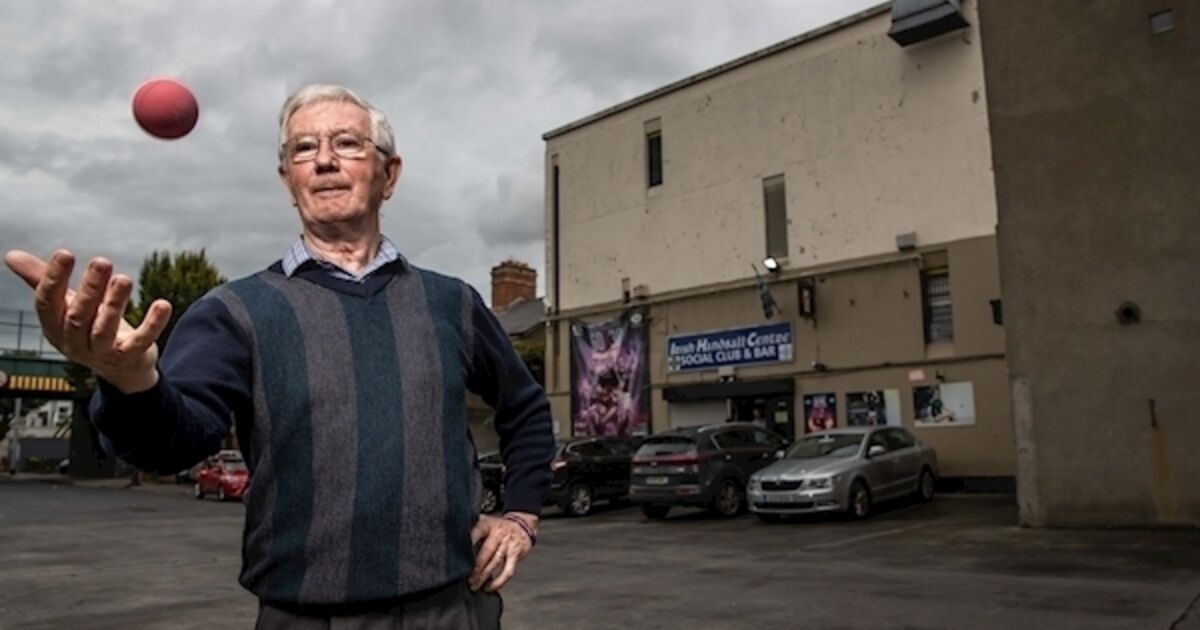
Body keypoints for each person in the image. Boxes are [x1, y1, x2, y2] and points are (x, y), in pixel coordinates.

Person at [4, 84, 555, 629]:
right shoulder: (235, 311)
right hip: (305, 617)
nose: (324, 162)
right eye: (303, 149)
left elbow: (526, 408)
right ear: (287, 181)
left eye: (347, 144)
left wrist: (522, 516)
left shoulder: (451, 302)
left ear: (390, 174)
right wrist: (129, 379)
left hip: (454, 610)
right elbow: (172, 446)